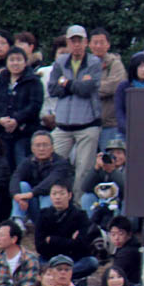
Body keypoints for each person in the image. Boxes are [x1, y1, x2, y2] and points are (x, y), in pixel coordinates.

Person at [47, 25, 102, 198]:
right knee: (53, 166)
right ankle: (53, 203)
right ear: (68, 42)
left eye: (80, 41)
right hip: (63, 125)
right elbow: (52, 89)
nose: (76, 45)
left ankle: (77, 206)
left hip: (88, 124)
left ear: (85, 42)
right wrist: (73, 85)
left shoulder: (94, 62)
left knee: (83, 169)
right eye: (73, 41)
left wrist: (67, 83)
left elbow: (88, 88)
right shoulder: (60, 62)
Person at [0, 46, 44, 168]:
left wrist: (16, 120)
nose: (15, 63)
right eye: (11, 60)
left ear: (25, 62)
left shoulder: (34, 81)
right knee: (4, 166)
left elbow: (35, 105)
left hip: (24, 131)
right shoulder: (0, 80)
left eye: (19, 59)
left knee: (23, 165)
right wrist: (0, 119)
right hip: (2, 132)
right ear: (6, 62)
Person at [10, 131, 73, 226]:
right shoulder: (28, 161)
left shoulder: (61, 163)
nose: (41, 149)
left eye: (45, 145)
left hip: (52, 205)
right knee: (22, 185)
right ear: (32, 148)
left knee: (51, 192)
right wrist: (17, 196)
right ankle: (17, 222)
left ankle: (47, 223)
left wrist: (30, 194)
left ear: (52, 147)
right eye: (38, 145)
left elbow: (50, 182)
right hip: (33, 205)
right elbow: (15, 177)